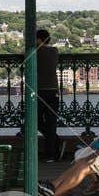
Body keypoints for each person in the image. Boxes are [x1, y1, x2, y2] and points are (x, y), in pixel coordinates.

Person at [36, 28, 61, 162]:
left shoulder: (35, 52)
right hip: (53, 90)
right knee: (51, 123)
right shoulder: (54, 51)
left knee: (36, 121)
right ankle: (52, 152)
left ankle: (55, 144)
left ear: (38, 39)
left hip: (40, 90)